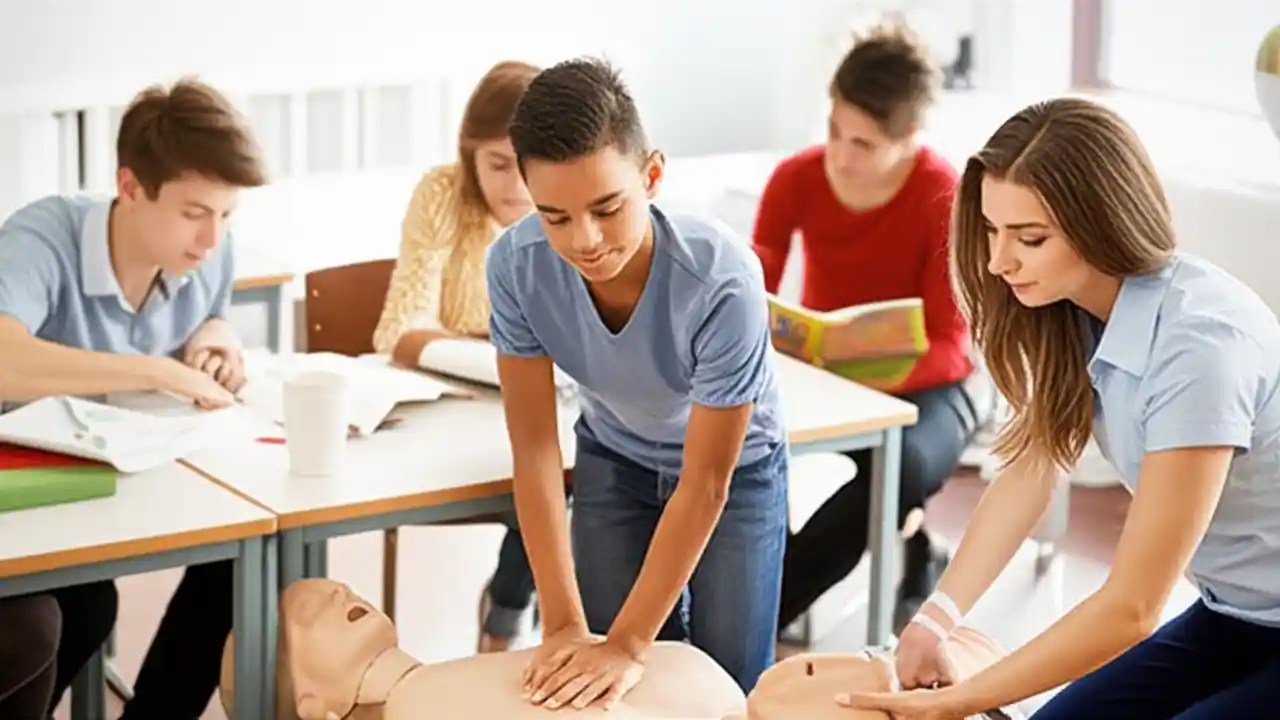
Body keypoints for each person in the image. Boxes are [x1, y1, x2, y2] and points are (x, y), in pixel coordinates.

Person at [845, 97, 1280, 719]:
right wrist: (934, 620)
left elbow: (1133, 606)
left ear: (1102, 223)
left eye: (1030, 238)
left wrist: (963, 701)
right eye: (993, 231)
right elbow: (1031, 469)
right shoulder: (1073, 314)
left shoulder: (1200, 345)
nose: (998, 262)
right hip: (1234, 614)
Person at [486, 56, 790, 706]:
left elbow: (707, 482)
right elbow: (535, 448)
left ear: (651, 175)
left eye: (607, 207)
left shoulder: (723, 281)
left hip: (735, 478)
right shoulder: (514, 267)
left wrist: (627, 644)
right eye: (556, 217)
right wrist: (563, 622)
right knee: (605, 690)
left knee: (727, 687)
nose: (586, 241)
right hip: (615, 457)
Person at [0, 77, 266, 718]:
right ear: (129, 188)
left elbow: (211, 316)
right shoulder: (44, 238)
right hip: (27, 497)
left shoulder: (208, 253)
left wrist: (218, 335)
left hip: (125, 481)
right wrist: (155, 371)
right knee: (86, 603)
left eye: (226, 216)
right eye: (195, 212)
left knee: (237, 566)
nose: (211, 239)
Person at [751, 21, 977, 635]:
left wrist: (871, 372)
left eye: (865, 144)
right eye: (834, 132)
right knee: (733, 444)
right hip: (823, 380)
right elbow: (750, 290)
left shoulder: (944, 194)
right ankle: (754, 594)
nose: (842, 158)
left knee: (894, 473)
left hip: (927, 390)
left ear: (909, 139)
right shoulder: (796, 178)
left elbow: (951, 344)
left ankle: (755, 619)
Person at [372, 59, 542, 654]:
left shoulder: (565, 203)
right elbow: (398, 327)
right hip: (448, 412)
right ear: (469, 154)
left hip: (535, 410)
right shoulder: (443, 193)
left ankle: (513, 611)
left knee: (578, 479)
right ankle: (506, 624)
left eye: (529, 165)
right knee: (542, 485)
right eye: (497, 164)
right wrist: (481, 355)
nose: (517, 186)